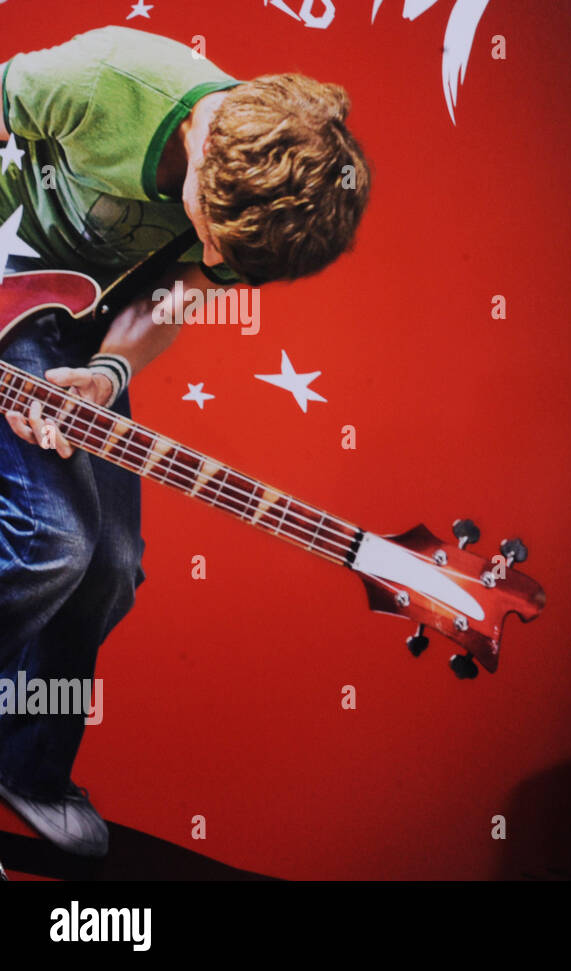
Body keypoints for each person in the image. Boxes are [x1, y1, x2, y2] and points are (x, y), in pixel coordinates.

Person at [0, 25, 369, 857]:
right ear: (206, 150)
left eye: (223, 255)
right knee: (53, 544)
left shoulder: (268, 215)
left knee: (112, 568)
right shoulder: (106, 78)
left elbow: (173, 293)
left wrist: (106, 372)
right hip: (3, 273)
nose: (206, 252)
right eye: (208, 223)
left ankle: (27, 763)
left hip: (77, 329)